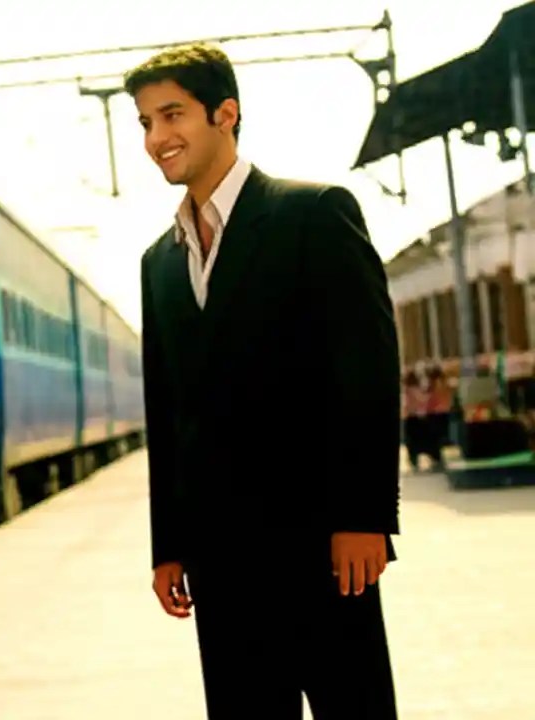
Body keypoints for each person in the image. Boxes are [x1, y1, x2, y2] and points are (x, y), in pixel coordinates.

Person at [128, 43, 401, 719]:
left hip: (323, 546)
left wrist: (363, 517)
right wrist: (170, 546)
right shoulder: (158, 261)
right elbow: (167, 410)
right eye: (143, 123)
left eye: (172, 115)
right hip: (221, 560)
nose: (157, 137)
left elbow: (365, 370)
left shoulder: (314, 213)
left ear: (227, 113)